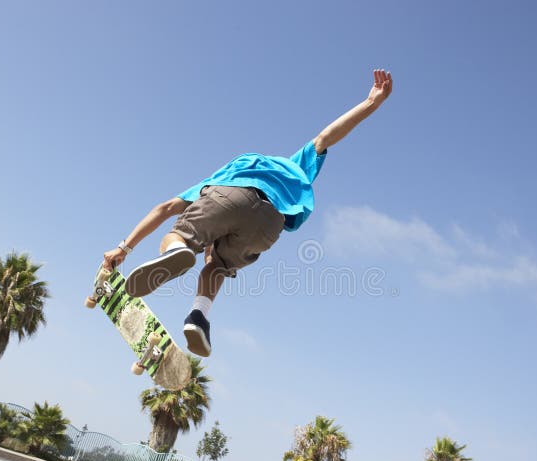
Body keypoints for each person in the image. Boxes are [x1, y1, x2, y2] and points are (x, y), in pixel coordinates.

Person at [103, 68, 393, 357]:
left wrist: (123, 248)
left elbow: (164, 208)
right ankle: (198, 318)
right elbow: (325, 137)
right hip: (270, 224)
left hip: (231, 194)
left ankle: (176, 251)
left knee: (179, 235)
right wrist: (371, 103)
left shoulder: (220, 179)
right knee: (216, 264)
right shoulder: (293, 168)